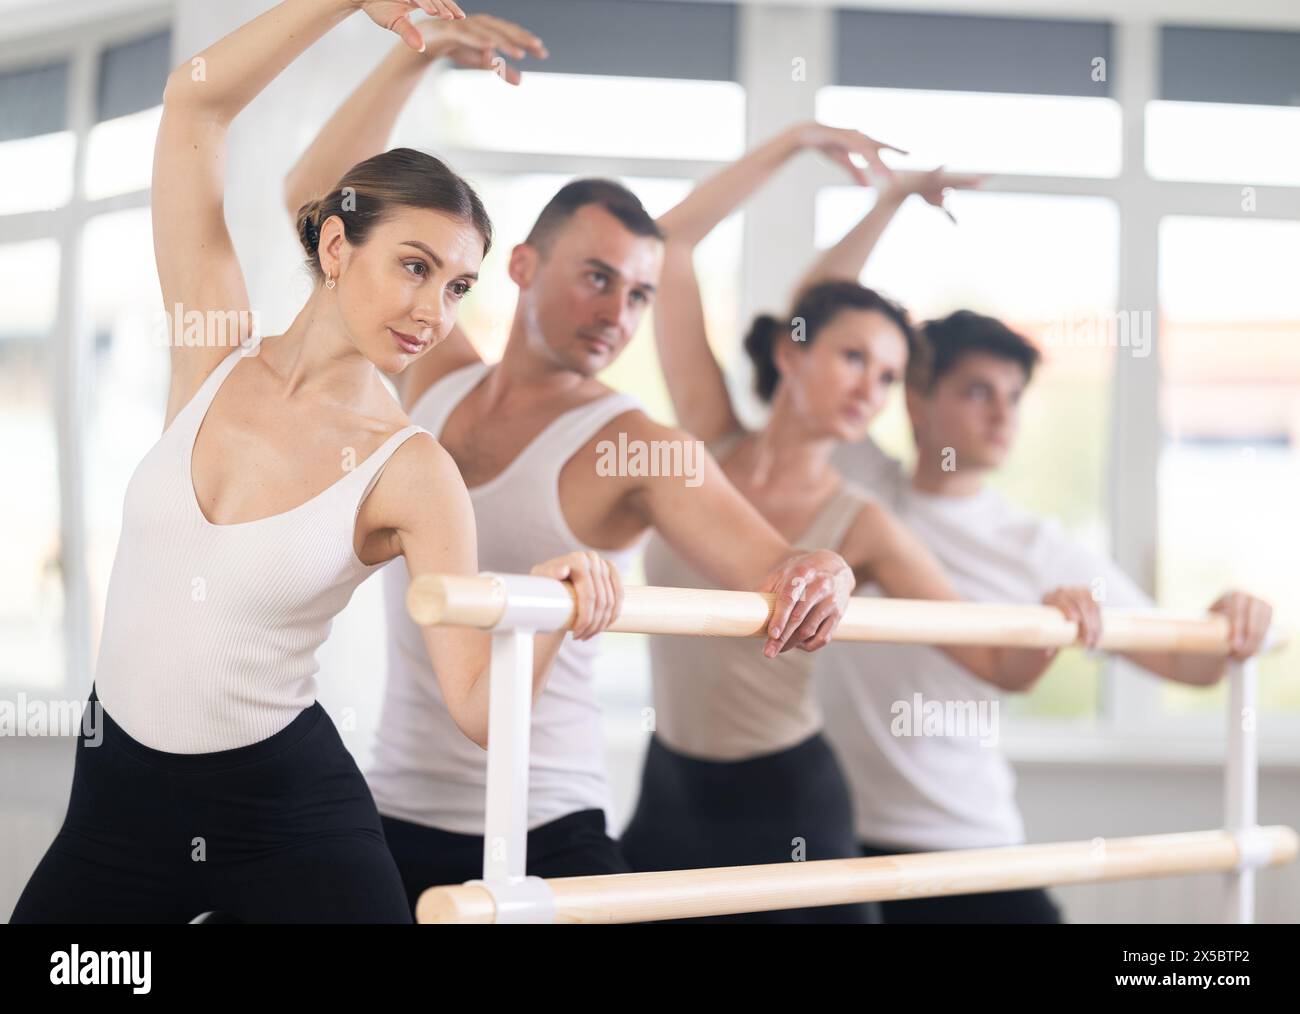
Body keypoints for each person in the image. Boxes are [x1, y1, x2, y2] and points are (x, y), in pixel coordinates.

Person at [11, 0, 624, 925]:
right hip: (118, 798)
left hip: (282, 814)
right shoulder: (212, 349)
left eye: (458, 286)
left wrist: (553, 602)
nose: (435, 312)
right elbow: (195, 107)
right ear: (337, 245)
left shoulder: (410, 469)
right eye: (414, 266)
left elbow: (482, 712)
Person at [281, 23, 861, 916]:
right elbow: (326, 201)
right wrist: (416, 53)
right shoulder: (433, 372)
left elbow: (775, 563)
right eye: (596, 278)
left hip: (548, 823)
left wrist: (824, 568)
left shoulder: (641, 443)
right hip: (392, 807)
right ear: (519, 265)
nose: (618, 314)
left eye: (639, 294)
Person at [619, 124, 1099, 923]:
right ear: (791, 353)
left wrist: (1059, 621)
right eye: (852, 360)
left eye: (887, 377)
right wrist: (794, 145)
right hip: (670, 786)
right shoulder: (704, 443)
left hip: (790, 803)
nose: (870, 390)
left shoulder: (864, 518)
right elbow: (669, 245)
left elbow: (993, 661)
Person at [800, 187, 1275, 923]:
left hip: (974, 850)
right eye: (978, 391)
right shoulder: (860, 482)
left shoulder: (1041, 548)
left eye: (1015, 396)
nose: (1002, 414)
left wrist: (1228, 616)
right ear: (916, 401)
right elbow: (815, 315)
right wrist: (890, 199)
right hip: (845, 849)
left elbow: (1186, 662)